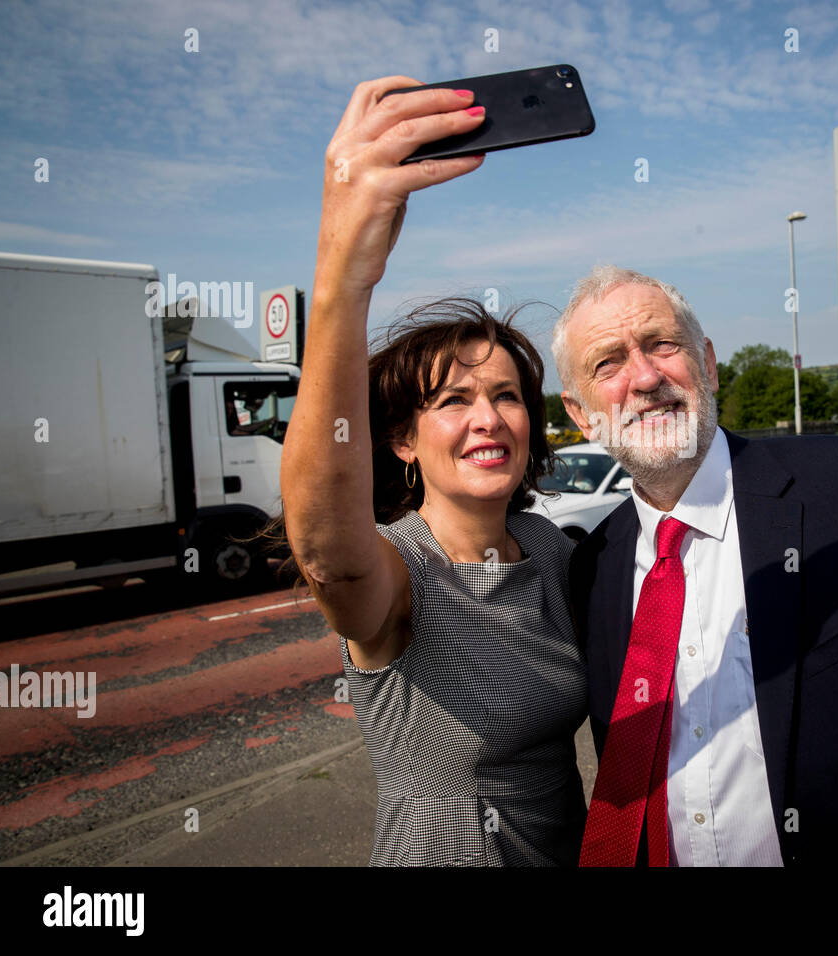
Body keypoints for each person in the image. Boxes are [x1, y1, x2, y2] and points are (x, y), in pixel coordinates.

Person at [553, 266, 838, 867]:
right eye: (608, 363)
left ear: (708, 364)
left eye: (662, 344)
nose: (645, 377)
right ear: (581, 413)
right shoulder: (592, 567)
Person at [278, 77, 586, 866]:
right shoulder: (400, 568)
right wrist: (343, 278)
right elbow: (325, 550)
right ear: (403, 442)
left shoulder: (549, 551)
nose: (488, 417)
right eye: (453, 400)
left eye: (507, 396)